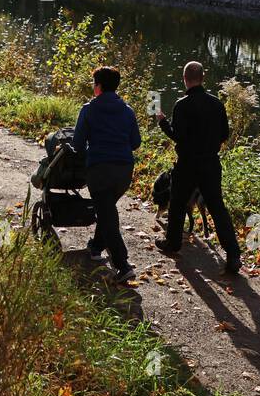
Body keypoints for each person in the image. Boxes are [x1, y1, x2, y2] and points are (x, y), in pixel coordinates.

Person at [154, 60, 243, 275]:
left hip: (187, 164)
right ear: (203, 78)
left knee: (177, 203)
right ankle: (233, 255)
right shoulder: (217, 104)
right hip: (210, 163)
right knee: (217, 208)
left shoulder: (182, 105)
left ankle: (173, 243)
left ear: (185, 79)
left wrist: (163, 122)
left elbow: (177, 136)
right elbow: (224, 135)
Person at [72, 65, 141, 283]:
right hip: (124, 172)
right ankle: (95, 248)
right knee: (107, 209)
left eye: (94, 83)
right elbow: (136, 143)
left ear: (99, 86)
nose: (93, 87)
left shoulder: (89, 109)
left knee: (107, 214)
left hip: (100, 170)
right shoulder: (128, 110)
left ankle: (122, 265)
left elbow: (78, 144)